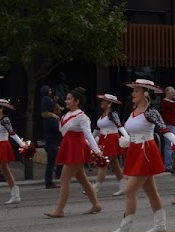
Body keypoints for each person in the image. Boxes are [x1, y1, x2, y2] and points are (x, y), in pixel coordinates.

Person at [107, 79, 175, 232]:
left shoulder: (151, 112)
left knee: (130, 190)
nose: (133, 94)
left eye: (136, 91)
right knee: (151, 191)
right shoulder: (133, 111)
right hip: (135, 151)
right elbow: (130, 131)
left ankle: (125, 228)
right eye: (133, 91)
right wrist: (127, 140)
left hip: (145, 152)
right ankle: (160, 224)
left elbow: (165, 131)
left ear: (145, 94)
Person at [44, 87, 104, 218]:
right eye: (67, 99)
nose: (66, 101)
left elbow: (88, 134)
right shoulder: (66, 115)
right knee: (82, 179)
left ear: (77, 101)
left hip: (76, 148)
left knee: (64, 179)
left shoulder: (82, 117)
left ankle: (60, 210)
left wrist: (97, 151)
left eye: (69, 99)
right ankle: (96, 204)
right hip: (69, 145)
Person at [0, 98, 26, 206]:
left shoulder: (4, 119)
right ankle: (15, 195)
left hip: (2, 146)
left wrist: (23, 145)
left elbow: (12, 133)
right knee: (5, 171)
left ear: (1, 108)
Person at [93, 93, 130, 197]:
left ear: (109, 104)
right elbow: (97, 129)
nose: (101, 102)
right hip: (103, 140)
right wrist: (90, 139)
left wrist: (126, 137)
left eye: (104, 101)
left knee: (103, 163)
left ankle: (95, 188)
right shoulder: (102, 115)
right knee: (115, 165)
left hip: (111, 140)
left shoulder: (112, 114)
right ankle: (124, 186)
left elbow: (119, 125)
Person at [39, 85, 63, 188]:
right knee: (51, 163)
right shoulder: (52, 120)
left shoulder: (48, 119)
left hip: (50, 142)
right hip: (52, 142)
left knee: (52, 162)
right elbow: (58, 130)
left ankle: (51, 179)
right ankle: (49, 181)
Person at [160, 86, 175, 173]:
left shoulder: (170, 102)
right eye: (173, 92)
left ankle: (171, 164)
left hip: (172, 125)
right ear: (167, 92)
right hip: (169, 126)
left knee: (172, 145)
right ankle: (168, 165)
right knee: (169, 145)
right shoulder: (166, 102)